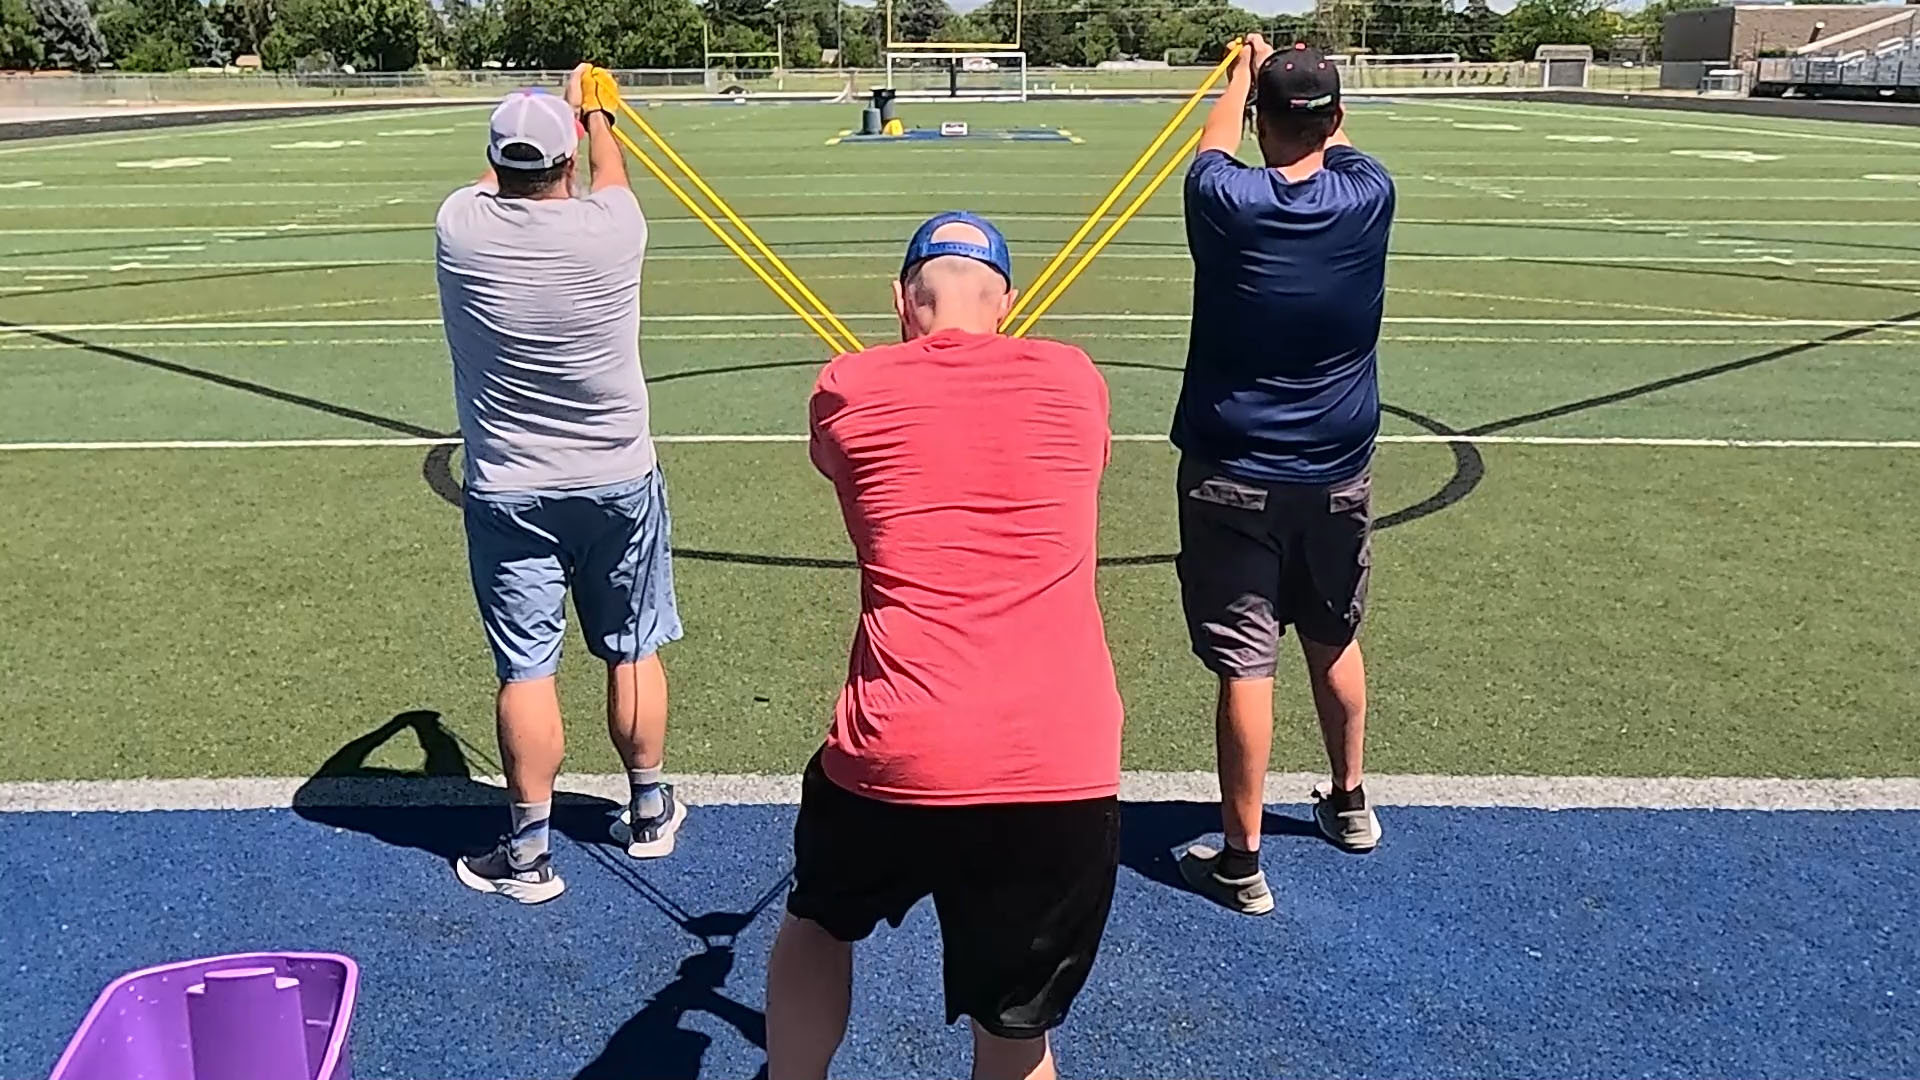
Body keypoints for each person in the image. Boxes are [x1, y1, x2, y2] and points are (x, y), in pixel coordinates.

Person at [764, 213, 1123, 1080]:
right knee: (1016, 1028)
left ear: (901, 299)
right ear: (1008, 302)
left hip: (897, 743)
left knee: (819, 922)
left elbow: (835, 460)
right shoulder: (1075, 379)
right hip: (1057, 756)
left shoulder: (848, 385)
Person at [435, 68, 684, 905]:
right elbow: (609, 175)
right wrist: (595, 112)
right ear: (568, 160)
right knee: (632, 647)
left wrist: (551, 122)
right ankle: (648, 810)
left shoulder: (460, 226)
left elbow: (495, 178)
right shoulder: (614, 226)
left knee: (527, 670)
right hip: (617, 477)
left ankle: (529, 852)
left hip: (509, 486)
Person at [1172, 35, 1396, 916]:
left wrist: (1241, 76)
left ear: (1261, 119)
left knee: (1246, 662)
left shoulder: (1226, 200)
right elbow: (1333, 140)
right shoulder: (1369, 194)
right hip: (1336, 468)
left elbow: (1210, 148)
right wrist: (1293, 91)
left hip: (1233, 469)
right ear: (1335, 118)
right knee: (1332, 634)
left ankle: (1242, 860)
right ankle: (1349, 801)